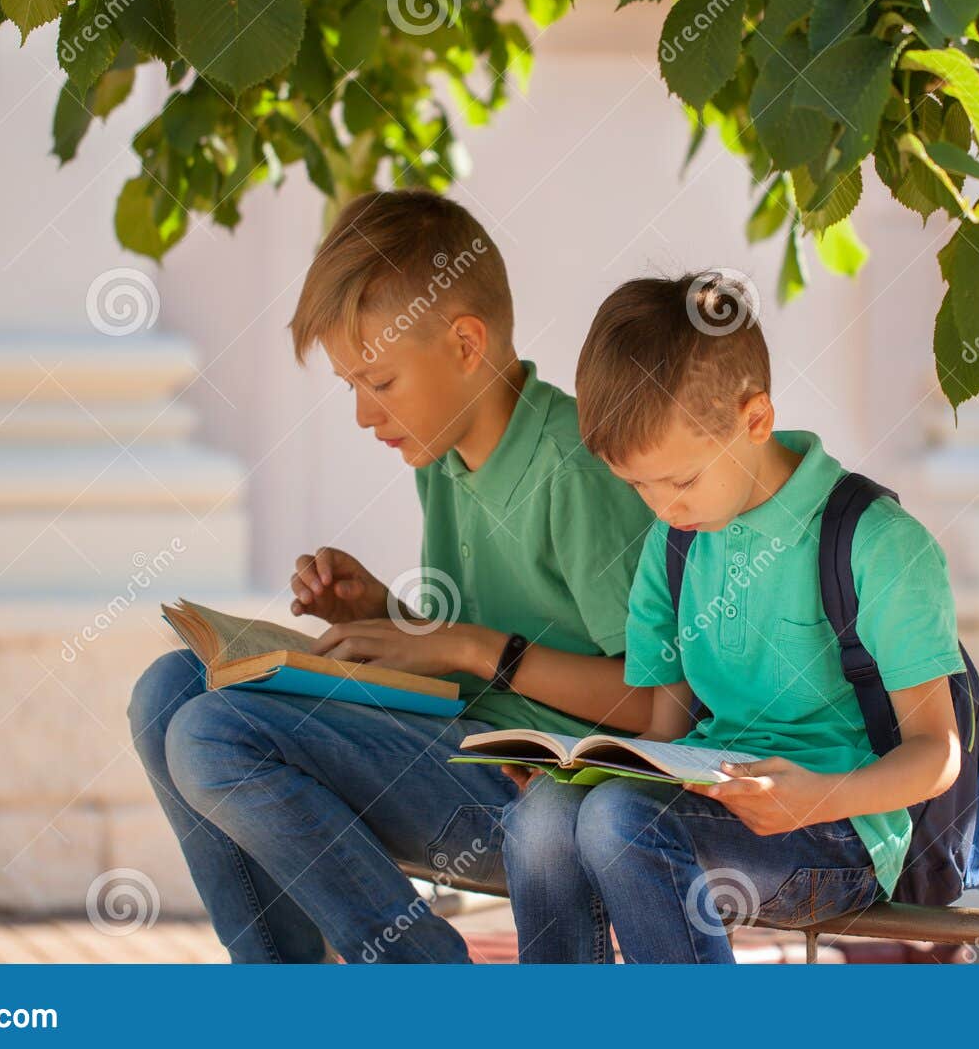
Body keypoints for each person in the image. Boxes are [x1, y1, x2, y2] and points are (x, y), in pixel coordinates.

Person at [128, 189, 654, 962]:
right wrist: (386, 614)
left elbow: (653, 702)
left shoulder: (573, 470)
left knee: (212, 733)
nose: (364, 415)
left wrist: (469, 646)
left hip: (549, 796)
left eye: (380, 381)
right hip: (468, 749)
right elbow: (469, 660)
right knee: (169, 691)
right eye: (352, 387)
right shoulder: (445, 460)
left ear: (466, 344)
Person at [502, 272, 966, 963]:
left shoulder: (875, 540)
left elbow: (939, 754)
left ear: (754, 419)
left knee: (621, 821)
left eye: (680, 479)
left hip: (841, 829)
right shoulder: (678, 541)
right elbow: (666, 733)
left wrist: (814, 797)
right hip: (708, 804)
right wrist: (575, 772)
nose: (661, 507)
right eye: (638, 485)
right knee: (540, 820)